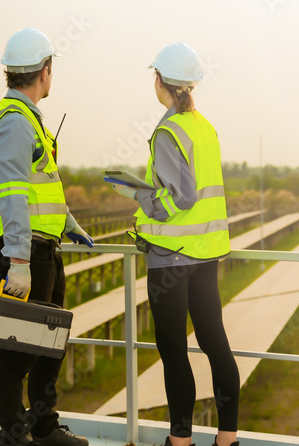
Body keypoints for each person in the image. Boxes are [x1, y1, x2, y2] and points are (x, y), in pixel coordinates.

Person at [110, 42, 240, 446]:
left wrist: (137, 195)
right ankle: (227, 438)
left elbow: (177, 198)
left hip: (170, 258)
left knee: (173, 349)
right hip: (206, 253)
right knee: (215, 342)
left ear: (159, 82)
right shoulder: (205, 127)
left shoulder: (168, 130)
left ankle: (180, 441)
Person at [0, 27, 95, 446]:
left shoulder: (28, 120)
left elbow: (37, 188)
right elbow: (11, 194)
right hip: (24, 252)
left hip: (44, 245)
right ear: (45, 71)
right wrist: (19, 263)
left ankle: (45, 428)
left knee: (50, 342)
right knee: (19, 347)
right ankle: (14, 435)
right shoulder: (13, 122)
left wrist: (67, 223)